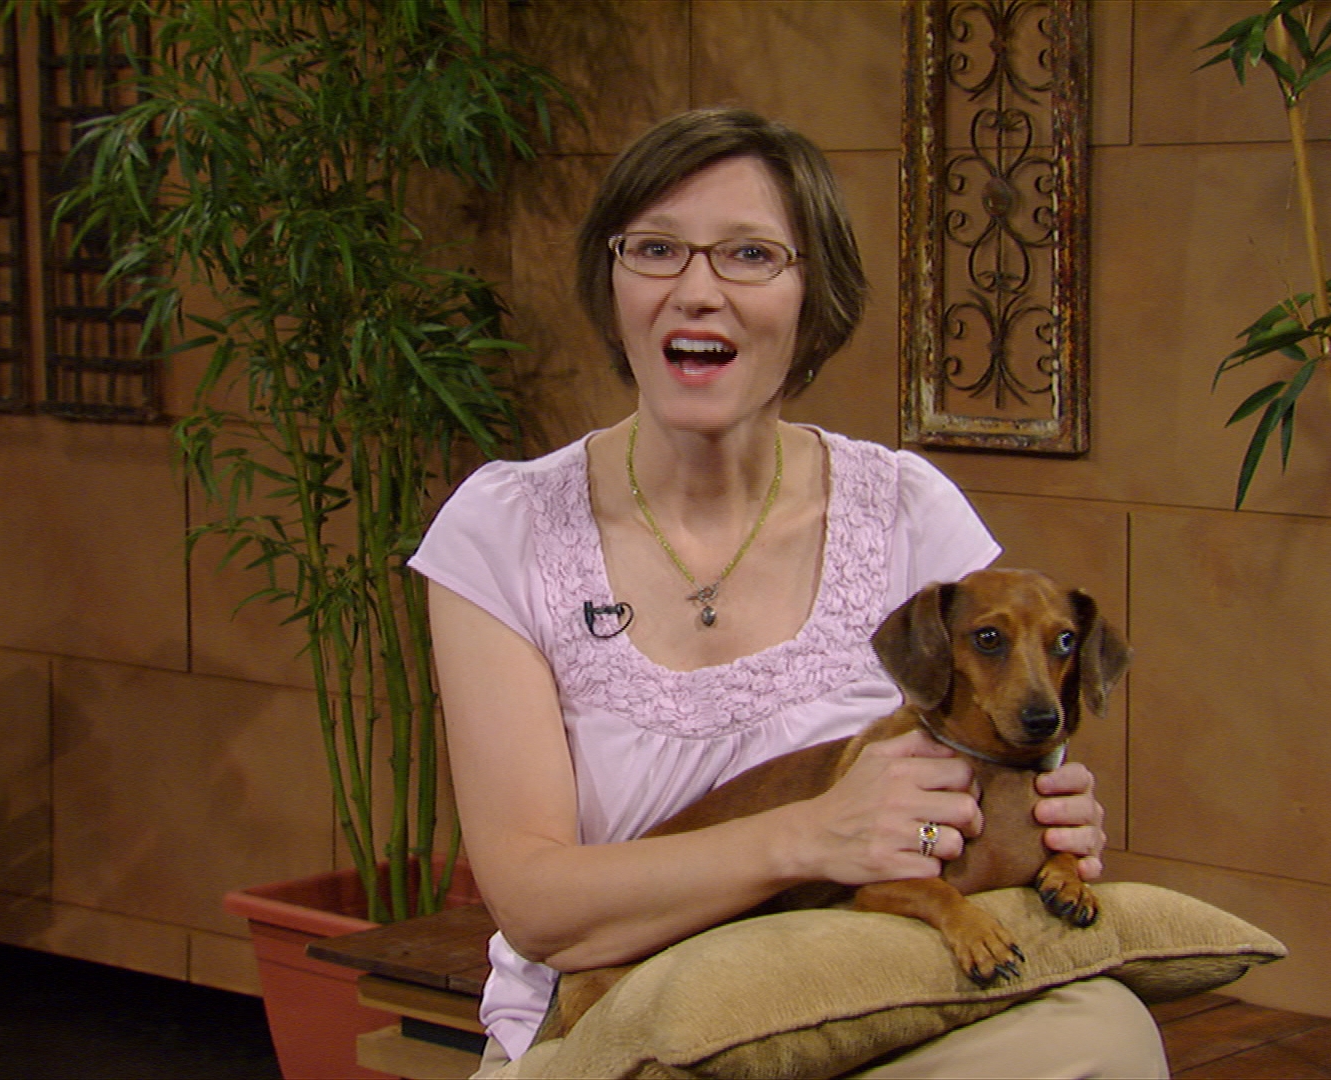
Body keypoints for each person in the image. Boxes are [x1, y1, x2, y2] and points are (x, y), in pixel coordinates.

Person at [410, 107, 1167, 1078]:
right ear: (611, 285)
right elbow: (537, 906)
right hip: (625, 1021)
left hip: (880, 997)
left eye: (749, 256)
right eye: (655, 250)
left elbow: (981, 772)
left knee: (1102, 1040)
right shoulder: (504, 529)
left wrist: (1037, 822)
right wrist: (815, 833)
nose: (696, 292)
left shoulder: (908, 511)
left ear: (816, 297)